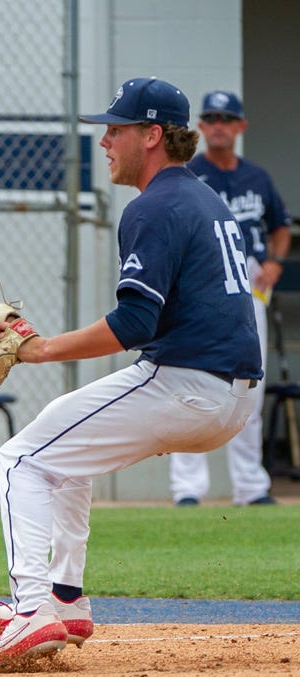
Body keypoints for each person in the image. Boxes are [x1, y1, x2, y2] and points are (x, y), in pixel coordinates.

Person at [0, 78, 261, 668]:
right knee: (66, 447)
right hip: (235, 397)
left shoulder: (153, 206)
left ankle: (30, 612)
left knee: (21, 459)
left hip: (187, 383)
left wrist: (41, 349)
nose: (105, 140)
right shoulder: (205, 198)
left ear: (152, 136)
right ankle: (65, 597)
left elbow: (134, 322)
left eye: (116, 129)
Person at [168, 90, 289, 507]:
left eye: (227, 117)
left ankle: (251, 485)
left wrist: (275, 261)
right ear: (200, 127)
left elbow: (280, 225)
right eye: (211, 117)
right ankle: (187, 488)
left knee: (247, 385)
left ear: (240, 127)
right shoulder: (187, 174)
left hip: (249, 286)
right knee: (187, 385)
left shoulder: (257, 178)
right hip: (200, 288)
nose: (218, 124)